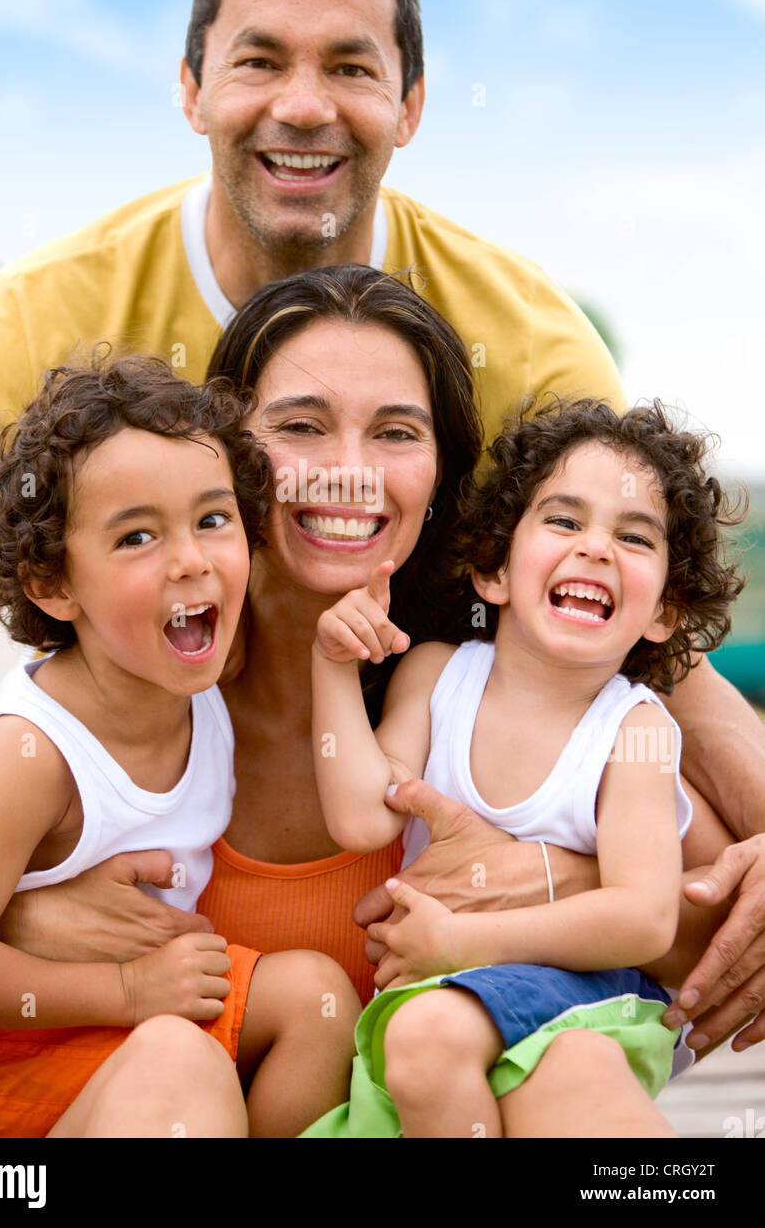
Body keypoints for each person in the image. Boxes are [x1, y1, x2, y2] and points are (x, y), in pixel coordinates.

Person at [0, 0, 763, 1060]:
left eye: (351, 66)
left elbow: (650, 651)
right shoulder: (41, 317)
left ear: (409, 105)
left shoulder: (526, 339)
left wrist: (614, 867)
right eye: (259, 60)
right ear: (191, 86)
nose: (303, 106)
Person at [0, 352, 360, 1138]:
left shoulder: (204, 674)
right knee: (180, 1058)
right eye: (137, 536)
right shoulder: (35, 753)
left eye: (213, 520)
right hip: (7, 1069)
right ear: (53, 585)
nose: (191, 560)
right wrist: (129, 993)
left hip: (145, 1021)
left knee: (318, 1000)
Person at [306, 397, 744, 1137]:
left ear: (664, 613)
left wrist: (466, 942)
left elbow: (643, 918)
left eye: (634, 537)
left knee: (427, 1040)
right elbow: (361, 816)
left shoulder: (633, 729)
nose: (596, 548)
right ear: (494, 570)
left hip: (587, 988)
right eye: (565, 521)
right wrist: (331, 666)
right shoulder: (437, 675)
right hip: (447, 981)